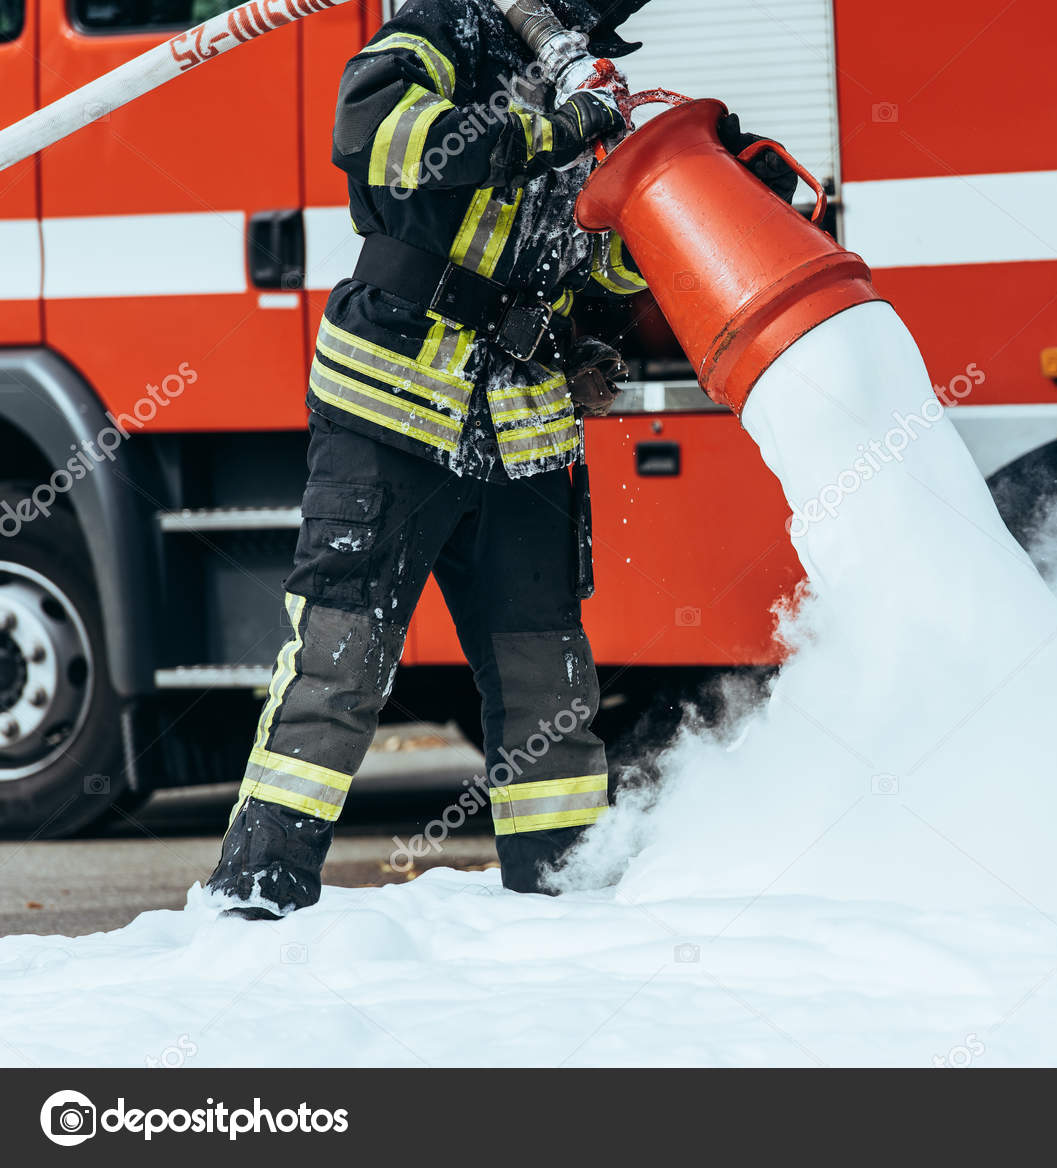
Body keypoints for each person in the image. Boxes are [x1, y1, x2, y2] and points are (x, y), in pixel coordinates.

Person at [205, 0, 797, 919]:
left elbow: (596, 272)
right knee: (341, 665)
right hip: (389, 405)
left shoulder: (599, 86)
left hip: (523, 430)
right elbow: (378, 137)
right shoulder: (454, 27)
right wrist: (555, 127)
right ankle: (256, 899)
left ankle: (559, 905)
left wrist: (715, 201)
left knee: (548, 687)